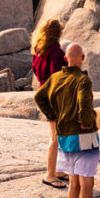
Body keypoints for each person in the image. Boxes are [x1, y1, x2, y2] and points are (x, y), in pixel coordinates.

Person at [34, 42, 100, 198]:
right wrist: (86, 122)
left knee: (73, 181)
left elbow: (39, 96)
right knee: (87, 182)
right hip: (83, 136)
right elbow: (84, 102)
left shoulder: (56, 78)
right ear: (82, 58)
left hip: (64, 137)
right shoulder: (82, 80)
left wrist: (54, 116)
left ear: (66, 58)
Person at [31, 19, 68, 189]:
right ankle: (50, 175)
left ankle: (58, 170)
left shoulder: (38, 50)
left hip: (43, 94)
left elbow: (35, 70)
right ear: (58, 33)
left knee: (58, 136)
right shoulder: (56, 53)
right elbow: (57, 77)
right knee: (55, 138)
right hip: (54, 98)